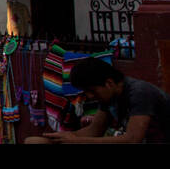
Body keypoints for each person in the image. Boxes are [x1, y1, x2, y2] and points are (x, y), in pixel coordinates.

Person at [29, 58, 170, 144]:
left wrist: (78, 141)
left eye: (92, 91)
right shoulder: (109, 97)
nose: (90, 96)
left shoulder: (140, 93)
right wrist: (62, 139)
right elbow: (94, 130)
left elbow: (132, 139)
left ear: (108, 83)